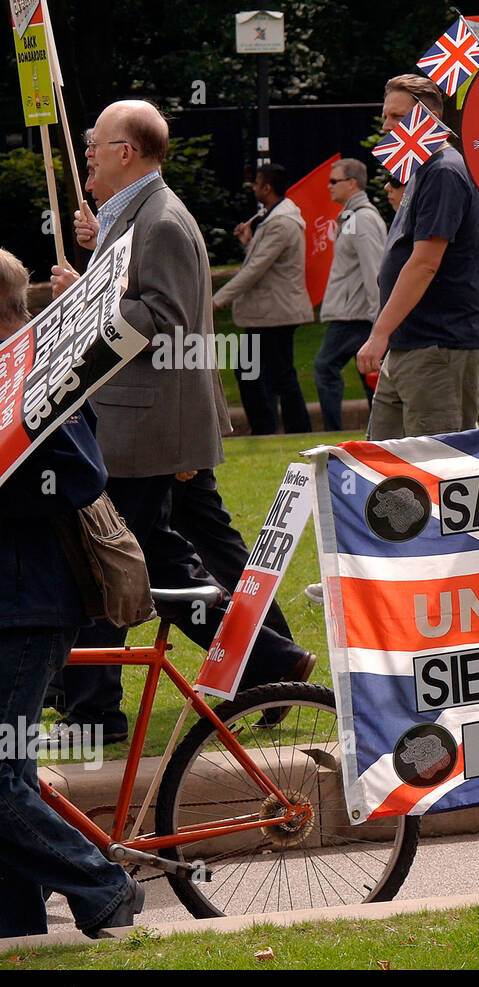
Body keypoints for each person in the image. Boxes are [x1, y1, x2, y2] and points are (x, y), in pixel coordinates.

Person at [49, 100, 313, 746]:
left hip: (146, 429)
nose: (87, 150)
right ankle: (270, 662)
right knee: (156, 562)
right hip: (148, 425)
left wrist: (84, 305)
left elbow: (160, 320)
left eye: (97, 142)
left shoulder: (160, 219)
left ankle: (93, 712)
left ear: (127, 153)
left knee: (106, 559)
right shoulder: (143, 213)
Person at [0, 247, 144, 939]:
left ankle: (103, 885)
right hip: (10, 603)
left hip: (27, 609)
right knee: (10, 776)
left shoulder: (38, 379)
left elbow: (81, 475)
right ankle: (18, 922)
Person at [356, 75, 479, 441]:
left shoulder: (444, 171)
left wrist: (378, 335)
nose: (386, 127)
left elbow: (424, 263)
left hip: (439, 347)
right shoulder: (422, 170)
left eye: (396, 117)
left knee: (436, 471)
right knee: (383, 465)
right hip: (412, 344)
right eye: (385, 117)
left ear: (429, 117)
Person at [213, 162, 314, 435]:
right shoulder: (274, 220)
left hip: (275, 314)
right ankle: (276, 427)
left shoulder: (280, 223)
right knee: (262, 373)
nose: (254, 188)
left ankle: (284, 428)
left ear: (267, 188)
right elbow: (265, 264)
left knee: (270, 374)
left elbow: (255, 270)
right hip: (270, 313)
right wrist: (248, 242)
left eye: (257, 184)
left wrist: (217, 300)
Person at [313, 158, 387, 432]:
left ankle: (336, 432)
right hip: (356, 314)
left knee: (325, 368)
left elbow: (374, 271)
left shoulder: (363, 220)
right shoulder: (354, 218)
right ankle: (379, 433)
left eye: (334, 181)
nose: (329, 186)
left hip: (356, 316)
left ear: (352, 183)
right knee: (369, 375)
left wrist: (378, 320)